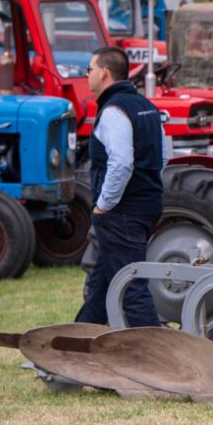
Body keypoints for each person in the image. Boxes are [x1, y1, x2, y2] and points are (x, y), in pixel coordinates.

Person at [75, 47, 169, 328]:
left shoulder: (114, 111)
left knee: (131, 286)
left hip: (121, 212)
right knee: (101, 284)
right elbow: (163, 156)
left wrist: (104, 204)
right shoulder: (148, 107)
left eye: (89, 70)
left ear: (104, 73)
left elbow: (121, 164)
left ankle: (158, 357)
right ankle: (79, 343)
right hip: (145, 206)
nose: (87, 75)